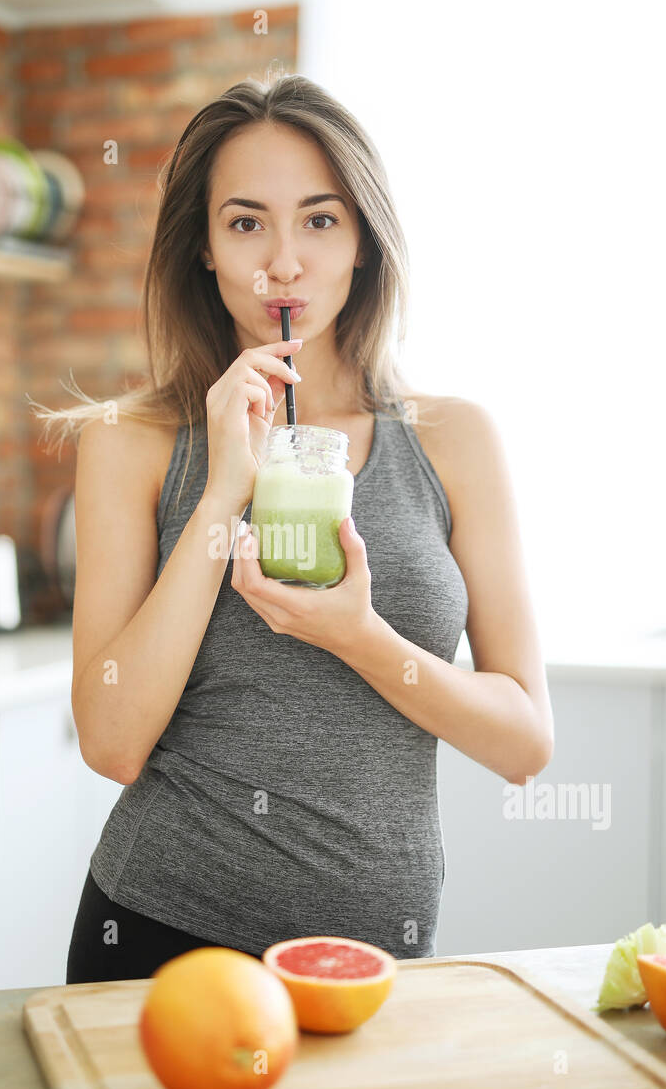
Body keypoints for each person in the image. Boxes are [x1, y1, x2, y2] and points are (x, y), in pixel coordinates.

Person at [32, 74, 554, 981]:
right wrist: (221, 492)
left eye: (319, 220)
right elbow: (112, 744)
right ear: (201, 248)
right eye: (245, 223)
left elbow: (522, 742)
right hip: (163, 939)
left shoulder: (453, 439)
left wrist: (358, 637)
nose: (284, 262)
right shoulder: (134, 445)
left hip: (382, 952)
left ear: (364, 241)